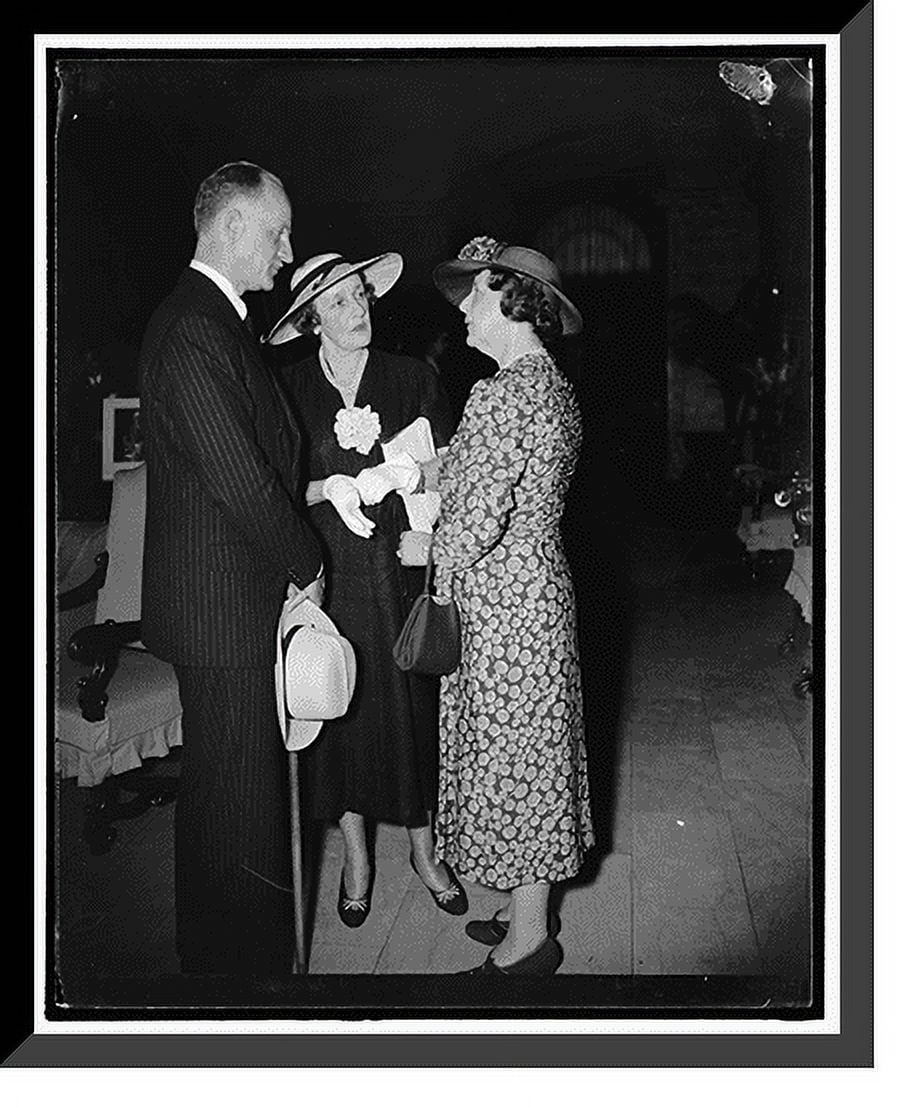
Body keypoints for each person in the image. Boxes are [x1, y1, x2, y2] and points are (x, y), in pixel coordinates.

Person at [139, 162, 324, 975]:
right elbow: (241, 478)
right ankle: (240, 989)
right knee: (238, 809)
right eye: (279, 231)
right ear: (234, 227)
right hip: (223, 610)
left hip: (225, 602)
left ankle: (220, 970)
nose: (289, 249)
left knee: (227, 805)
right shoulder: (194, 327)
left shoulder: (217, 319)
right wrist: (308, 561)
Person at [399, 236, 595, 975]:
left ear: (508, 296)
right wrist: (443, 464)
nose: (462, 313)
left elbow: (475, 523)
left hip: (502, 607)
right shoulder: (551, 387)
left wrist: (426, 547)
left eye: (472, 295)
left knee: (512, 762)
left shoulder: (500, 392)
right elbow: (509, 476)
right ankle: (527, 910)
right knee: (535, 757)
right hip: (539, 592)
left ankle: (528, 946)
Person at [265, 251, 466, 927]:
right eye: (341, 303)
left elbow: (448, 470)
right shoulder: (288, 389)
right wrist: (329, 487)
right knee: (339, 713)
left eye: (362, 297)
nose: (358, 312)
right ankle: (357, 857)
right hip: (328, 578)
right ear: (312, 318)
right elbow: (270, 485)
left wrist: (414, 486)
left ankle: (424, 850)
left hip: (401, 572)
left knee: (410, 709)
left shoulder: (411, 376)